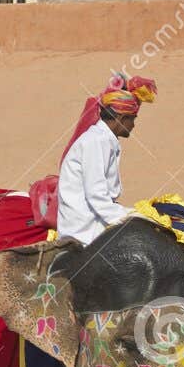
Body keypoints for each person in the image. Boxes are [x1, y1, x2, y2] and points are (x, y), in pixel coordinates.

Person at [56, 74, 156, 245]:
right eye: (133, 119)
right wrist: (129, 217)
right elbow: (96, 195)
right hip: (85, 230)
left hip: (98, 218)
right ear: (122, 118)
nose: (134, 125)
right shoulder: (96, 141)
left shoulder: (105, 140)